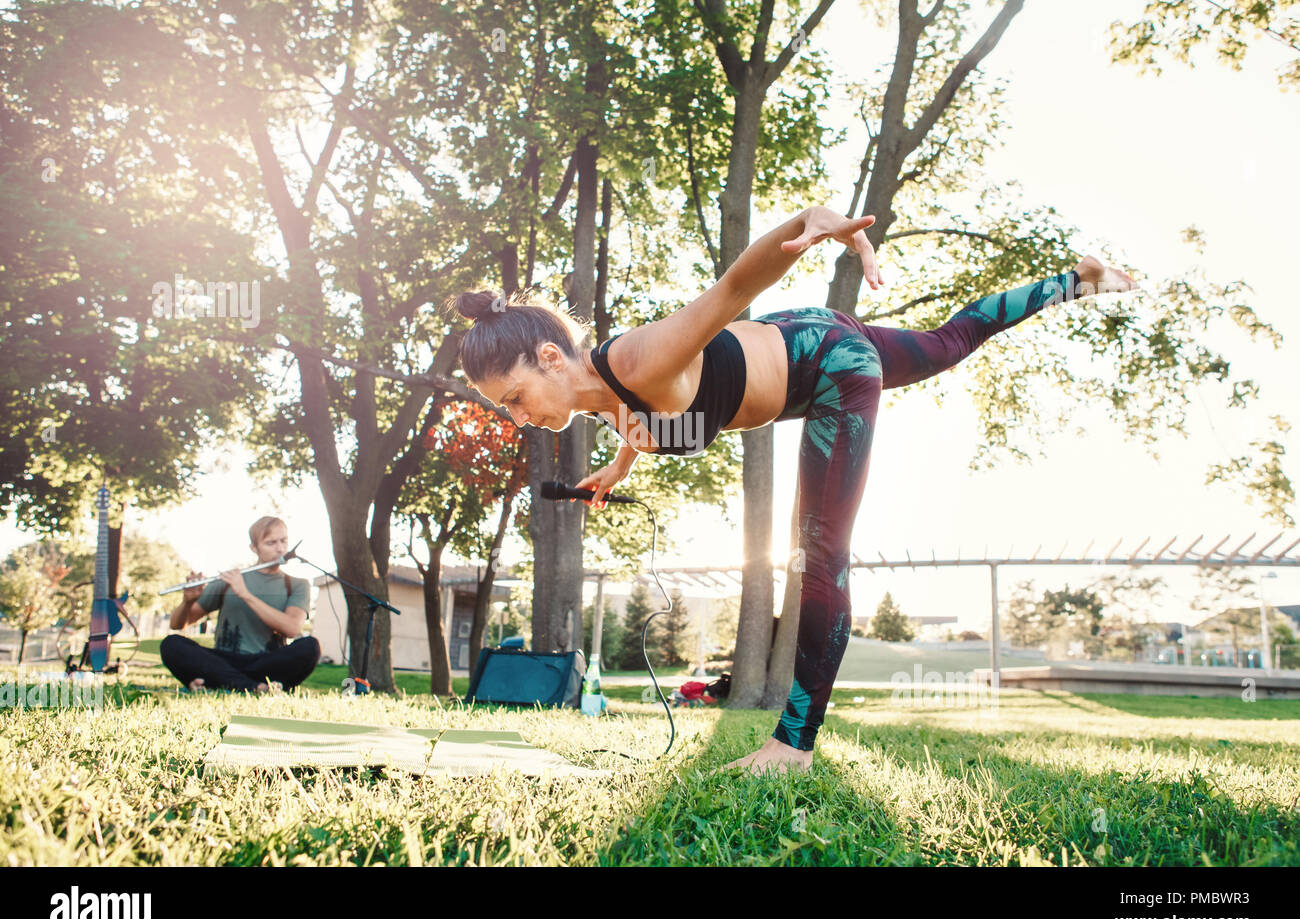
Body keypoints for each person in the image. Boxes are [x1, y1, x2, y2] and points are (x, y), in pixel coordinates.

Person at [454, 205, 1136, 774]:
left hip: (828, 366)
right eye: (506, 409)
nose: (519, 419)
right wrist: (618, 469)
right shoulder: (603, 394)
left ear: (549, 356)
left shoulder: (636, 358)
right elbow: (641, 420)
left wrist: (809, 225)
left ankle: (793, 745)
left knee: (816, 551)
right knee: (948, 342)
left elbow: (731, 289)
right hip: (799, 336)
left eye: (515, 397)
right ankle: (1078, 280)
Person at [160, 516, 319, 693]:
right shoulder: (230, 580)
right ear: (254, 548)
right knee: (171, 644)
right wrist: (187, 602)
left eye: (284, 541)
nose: (280, 548)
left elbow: (291, 628)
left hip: (265, 663)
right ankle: (255, 687)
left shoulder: (297, 585)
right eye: (271, 543)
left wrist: (245, 594)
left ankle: (219, 682)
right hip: (224, 660)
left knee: (311, 647)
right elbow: (177, 624)